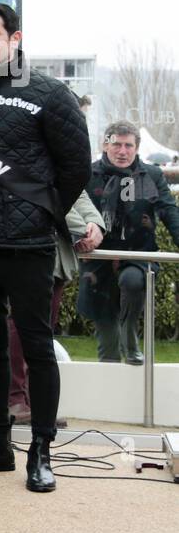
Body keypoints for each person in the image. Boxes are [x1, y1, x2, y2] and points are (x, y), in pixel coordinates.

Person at [0, 2, 90, 493]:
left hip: (27, 247)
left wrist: (42, 214)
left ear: (15, 37)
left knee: (36, 346)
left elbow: (76, 168)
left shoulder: (51, 93)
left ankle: (41, 451)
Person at [79, 120, 179, 365]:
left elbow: (168, 210)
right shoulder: (88, 174)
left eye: (128, 146)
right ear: (106, 145)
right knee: (107, 343)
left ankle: (131, 338)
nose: (122, 151)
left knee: (132, 281)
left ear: (136, 148)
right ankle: (109, 386)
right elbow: (72, 210)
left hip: (138, 255)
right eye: (117, 145)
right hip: (97, 260)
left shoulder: (152, 175)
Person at [7, 191, 103, 423]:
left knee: (41, 332)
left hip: (55, 255)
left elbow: (76, 193)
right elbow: (46, 193)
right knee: (19, 326)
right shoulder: (31, 157)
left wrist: (95, 224)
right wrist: (82, 230)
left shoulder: (62, 159)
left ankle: (32, 401)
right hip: (24, 247)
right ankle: (13, 400)